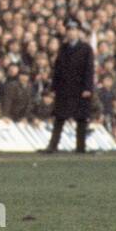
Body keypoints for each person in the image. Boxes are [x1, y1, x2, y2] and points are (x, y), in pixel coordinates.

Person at [44, 18, 94, 154]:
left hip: (80, 88)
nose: (71, 33)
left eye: (74, 30)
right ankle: (53, 145)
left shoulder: (86, 49)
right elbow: (57, 70)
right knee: (59, 118)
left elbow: (89, 70)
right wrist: (54, 88)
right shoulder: (63, 48)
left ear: (78, 32)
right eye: (69, 30)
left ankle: (80, 146)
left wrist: (88, 88)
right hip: (64, 88)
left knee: (81, 119)